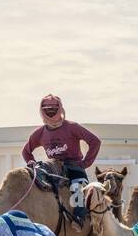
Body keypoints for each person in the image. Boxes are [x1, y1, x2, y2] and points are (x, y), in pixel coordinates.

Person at [20, 94, 101, 223]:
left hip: (74, 168)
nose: (50, 112)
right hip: (53, 168)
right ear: (42, 111)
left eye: (53, 109)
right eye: (47, 109)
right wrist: (32, 163)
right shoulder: (40, 133)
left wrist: (85, 163)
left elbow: (95, 141)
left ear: (60, 108)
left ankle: (80, 220)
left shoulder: (72, 127)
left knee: (77, 188)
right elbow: (26, 151)